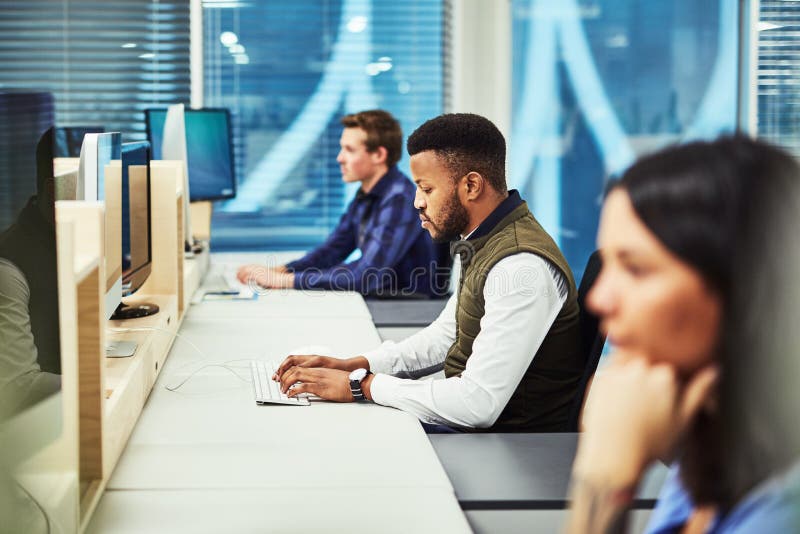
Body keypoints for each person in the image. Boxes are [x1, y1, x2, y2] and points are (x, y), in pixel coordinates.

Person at [272, 113, 584, 432]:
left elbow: (477, 404)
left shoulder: (520, 265)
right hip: (478, 430)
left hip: (509, 445)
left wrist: (361, 386)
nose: (417, 202)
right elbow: (445, 337)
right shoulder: (481, 240)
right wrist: (356, 365)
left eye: (427, 189)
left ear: (472, 186)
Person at [566, 136, 800, 533]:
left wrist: (602, 484)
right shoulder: (708, 445)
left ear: (745, 289)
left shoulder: (781, 510)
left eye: (636, 268)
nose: (599, 299)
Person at [236, 109, 445, 298]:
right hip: (383, 302)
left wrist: (283, 281)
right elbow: (332, 251)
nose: (339, 158)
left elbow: (365, 275)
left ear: (378, 155)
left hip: (410, 309)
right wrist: (281, 271)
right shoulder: (366, 195)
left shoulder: (400, 199)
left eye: (349, 150)